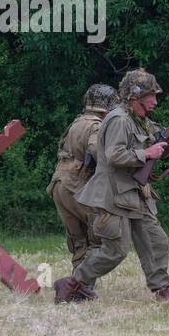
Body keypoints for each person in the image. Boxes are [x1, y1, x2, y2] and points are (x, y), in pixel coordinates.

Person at [52, 69, 169, 303]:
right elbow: (114, 155)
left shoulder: (141, 121)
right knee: (114, 251)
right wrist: (145, 153)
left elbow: (161, 149)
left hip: (136, 193)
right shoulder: (119, 119)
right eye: (152, 96)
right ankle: (71, 283)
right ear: (135, 96)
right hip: (113, 195)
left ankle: (162, 291)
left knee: (156, 242)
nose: (155, 101)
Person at [47, 83, 118, 298]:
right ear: (107, 108)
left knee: (78, 240)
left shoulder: (76, 123)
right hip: (79, 186)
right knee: (97, 238)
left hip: (59, 184)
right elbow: (100, 154)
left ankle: (75, 289)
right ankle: (81, 286)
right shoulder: (96, 126)